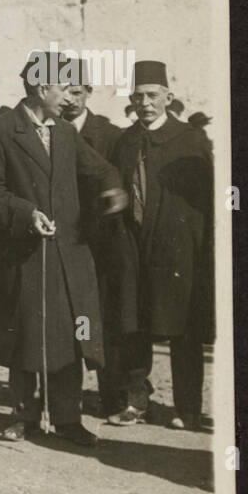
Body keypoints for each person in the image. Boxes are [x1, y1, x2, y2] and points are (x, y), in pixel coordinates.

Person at [0, 52, 126, 448]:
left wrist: (113, 187)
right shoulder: (0, 131)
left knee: (68, 339)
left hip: (68, 255)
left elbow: (99, 168)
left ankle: (67, 419)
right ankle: (23, 416)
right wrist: (26, 213)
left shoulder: (64, 131)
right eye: (63, 89)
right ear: (42, 88)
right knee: (26, 334)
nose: (70, 98)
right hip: (25, 253)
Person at [110, 61, 214, 430]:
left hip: (177, 250)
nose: (145, 103)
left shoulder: (190, 139)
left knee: (182, 330)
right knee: (133, 325)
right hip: (135, 248)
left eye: (152, 96)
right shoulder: (125, 142)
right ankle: (136, 401)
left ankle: (187, 409)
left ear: (168, 97)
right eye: (137, 96)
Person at [61, 83, 139, 423]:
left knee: (105, 320)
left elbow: (121, 182)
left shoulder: (109, 134)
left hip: (102, 244)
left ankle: (112, 398)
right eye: (64, 92)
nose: (70, 100)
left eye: (77, 92)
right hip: (64, 239)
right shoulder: (48, 130)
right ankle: (66, 399)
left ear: (88, 93)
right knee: (66, 319)